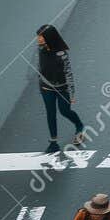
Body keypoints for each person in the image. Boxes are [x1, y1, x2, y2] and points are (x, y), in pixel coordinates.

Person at [34, 24, 86, 152]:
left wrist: (72, 93)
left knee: (64, 111)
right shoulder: (40, 49)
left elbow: (68, 73)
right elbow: (40, 67)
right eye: (38, 36)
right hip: (46, 88)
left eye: (41, 36)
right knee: (50, 113)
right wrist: (42, 82)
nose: (38, 39)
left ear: (49, 37)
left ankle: (79, 126)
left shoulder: (61, 54)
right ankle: (53, 142)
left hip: (62, 88)